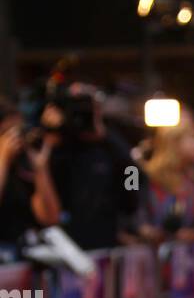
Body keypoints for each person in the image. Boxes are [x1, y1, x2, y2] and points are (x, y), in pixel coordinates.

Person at [42, 83, 137, 250]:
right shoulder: (56, 146)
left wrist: (104, 135)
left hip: (105, 239)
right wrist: (50, 132)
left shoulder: (112, 147)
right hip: (64, 245)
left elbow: (134, 173)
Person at [135, 114, 194, 246]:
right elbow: (136, 220)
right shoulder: (144, 176)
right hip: (152, 258)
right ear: (173, 142)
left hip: (190, 258)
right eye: (192, 138)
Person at [0, 100, 61, 253]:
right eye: (8, 134)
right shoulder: (4, 163)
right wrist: (3, 159)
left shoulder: (22, 167)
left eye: (19, 132)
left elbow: (49, 218)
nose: (15, 140)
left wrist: (41, 168)